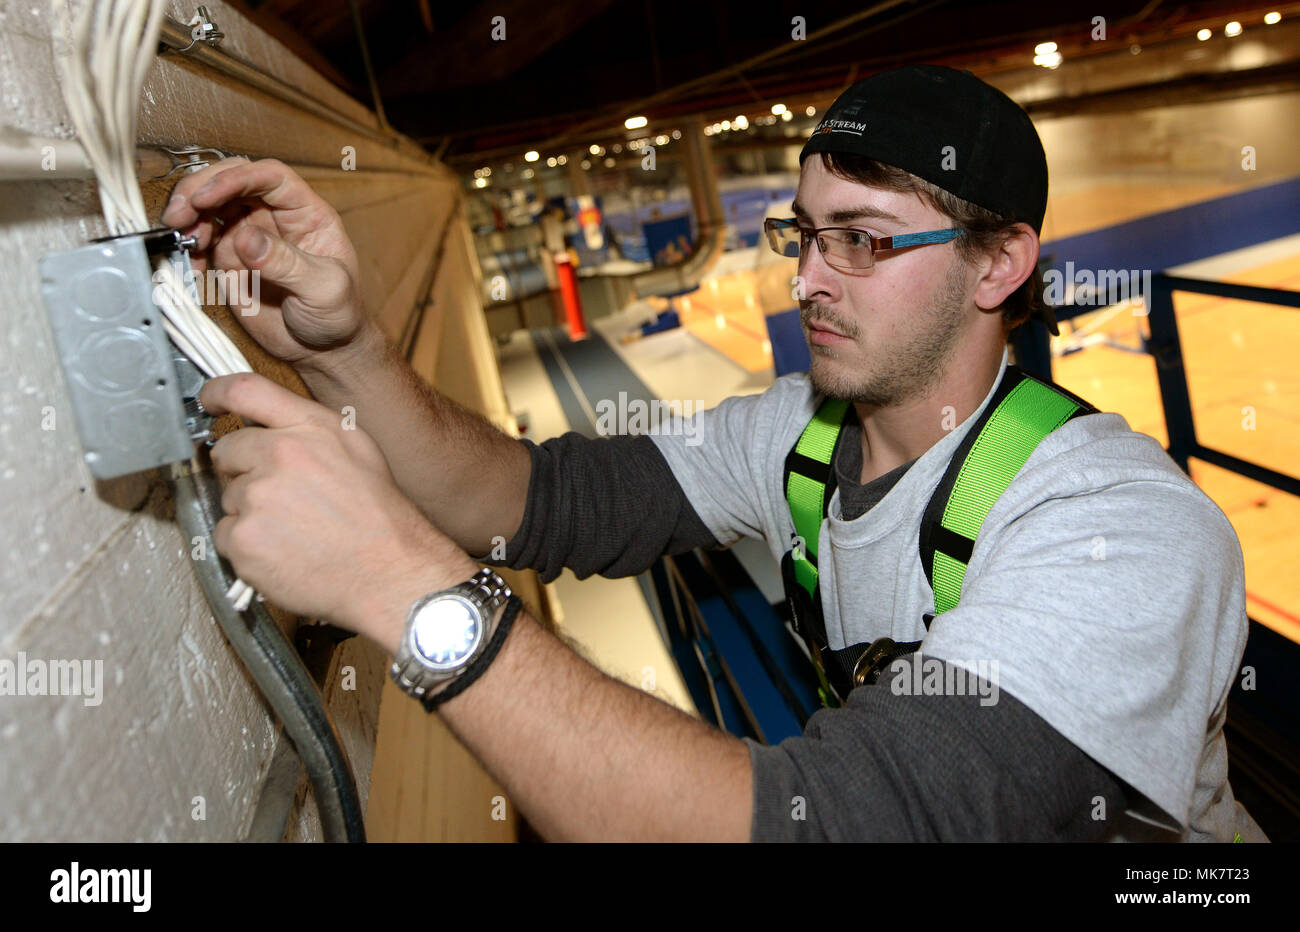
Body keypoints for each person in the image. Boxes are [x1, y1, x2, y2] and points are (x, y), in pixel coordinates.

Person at [161, 64, 1264, 842]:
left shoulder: (1122, 531)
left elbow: (834, 824)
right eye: (802, 231)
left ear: (998, 265)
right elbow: (539, 502)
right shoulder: (791, 429)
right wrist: (348, 350)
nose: (805, 279)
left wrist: (401, 584)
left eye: (863, 240)